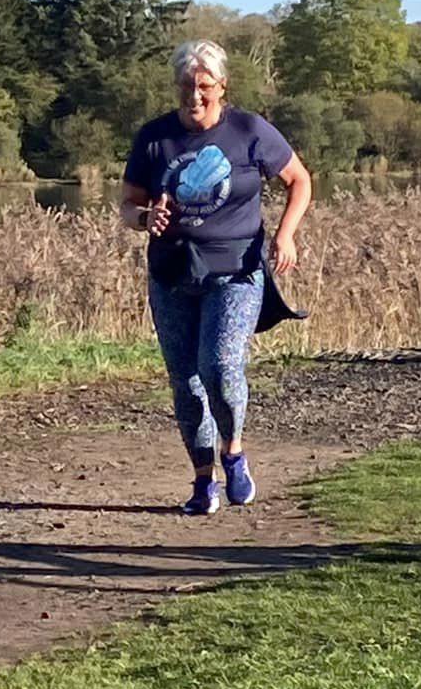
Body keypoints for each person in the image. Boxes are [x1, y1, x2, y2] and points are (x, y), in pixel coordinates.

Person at [121, 39, 313, 515]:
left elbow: (300, 181)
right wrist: (146, 219)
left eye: (205, 86)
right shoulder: (155, 138)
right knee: (185, 383)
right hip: (172, 273)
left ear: (222, 86)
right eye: (187, 86)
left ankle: (234, 452)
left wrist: (286, 235)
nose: (195, 96)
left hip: (237, 270)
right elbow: (127, 204)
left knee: (221, 366)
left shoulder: (250, 130)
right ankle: (203, 481)